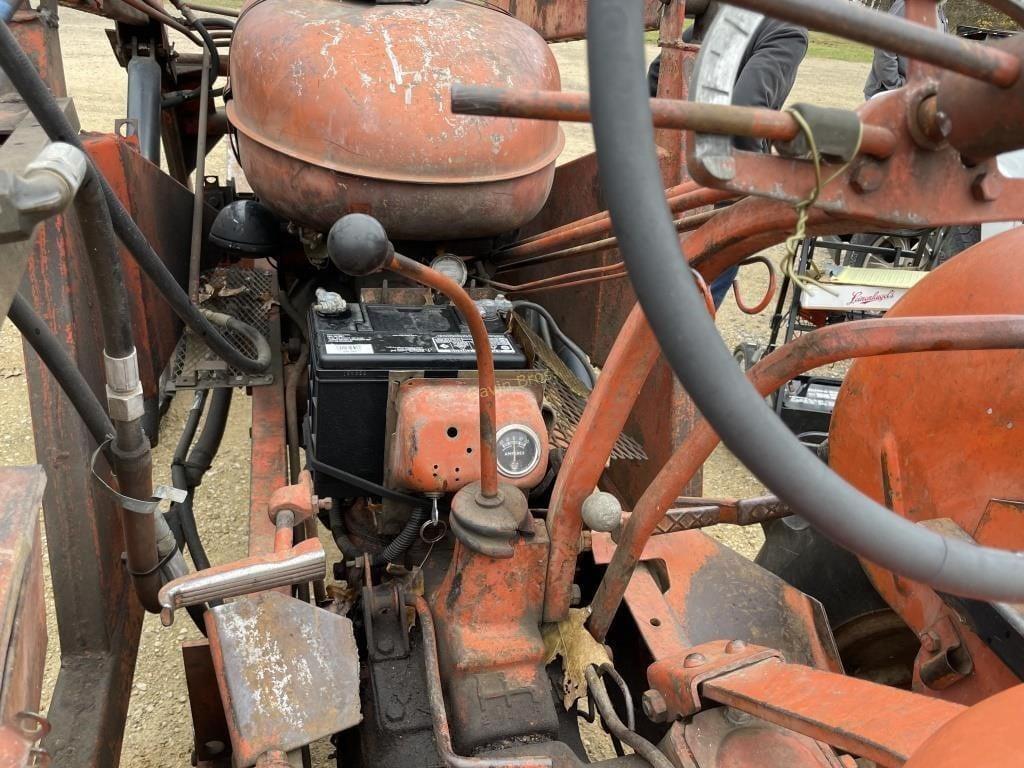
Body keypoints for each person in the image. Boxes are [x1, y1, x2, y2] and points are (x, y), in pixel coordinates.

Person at [649, 6, 808, 308]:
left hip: (668, 190)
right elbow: (746, 109)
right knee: (691, 313)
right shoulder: (787, 30)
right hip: (718, 193)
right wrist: (747, 190)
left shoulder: (708, 26)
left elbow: (653, 81)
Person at [864, 0, 948, 99]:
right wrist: (896, 85)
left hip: (916, 96)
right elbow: (884, 45)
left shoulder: (938, 10)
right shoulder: (907, 4)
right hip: (889, 95)